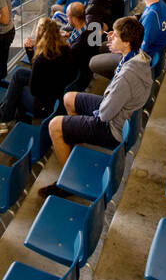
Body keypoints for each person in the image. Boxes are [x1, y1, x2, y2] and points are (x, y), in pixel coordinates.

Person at [43, 16, 153, 195]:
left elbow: (104, 115)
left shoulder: (127, 76)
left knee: (54, 125)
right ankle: (76, 149)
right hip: (113, 108)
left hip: (111, 126)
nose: (110, 37)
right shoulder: (136, 56)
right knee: (69, 98)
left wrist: (94, 113)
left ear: (126, 43)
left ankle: (67, 184)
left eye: (115, 36)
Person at [0, 18, 77, 133]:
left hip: (45, 103)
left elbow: (35, 89)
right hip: (56, 89)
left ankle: (3, 121)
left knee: (16, 90)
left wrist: (31, 53)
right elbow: (42, 74)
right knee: (18, 74)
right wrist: (31, 53)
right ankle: (5, 118)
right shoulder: (65, 49)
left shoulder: (41, 59)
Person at [91, 0, 166, 79]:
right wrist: (119, 34)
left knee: (94, 62)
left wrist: (120, 48)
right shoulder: (161, 4)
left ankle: (121, 78)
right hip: (152, 53)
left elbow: (141, 51)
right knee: (105, 46)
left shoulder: (151, 17)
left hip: (139, 62)